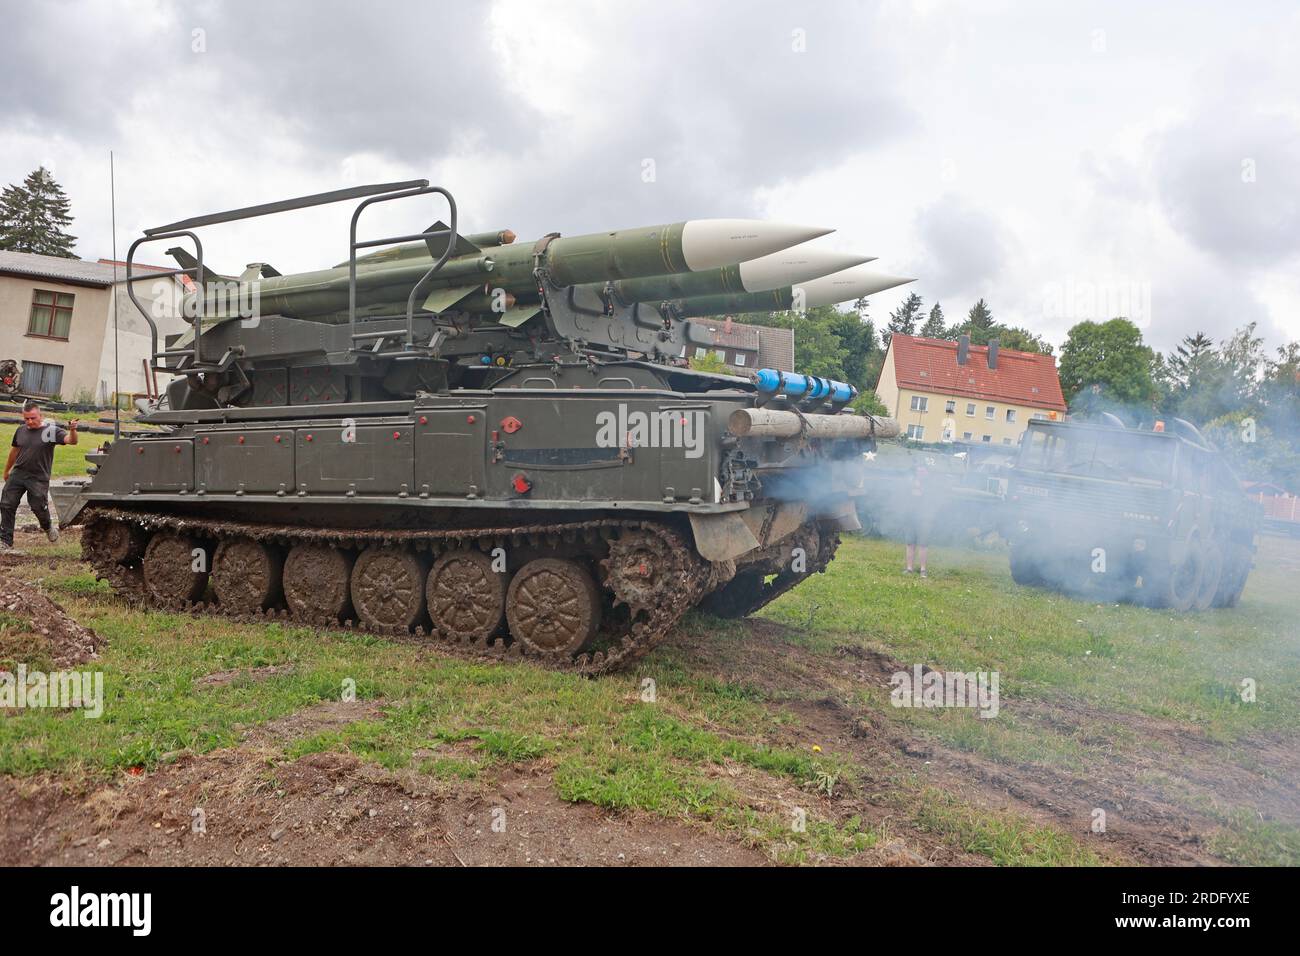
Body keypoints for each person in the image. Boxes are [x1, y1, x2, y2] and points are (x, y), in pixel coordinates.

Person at [1, 400, 78, 550]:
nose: (29, 421)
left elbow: (71, 441)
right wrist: (7, 470)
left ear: (40, 416)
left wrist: (73, 430)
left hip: (38, 477)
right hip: (18, 473)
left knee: (38, 507)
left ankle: (48, 527)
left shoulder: (51, 431)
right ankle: (5, 540)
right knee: (6, 504)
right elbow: (14, 451)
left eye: (33, 418)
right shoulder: (21, 430)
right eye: (26, 418)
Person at [902, 460, 931, 578]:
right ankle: (909, 568)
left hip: (924, 518)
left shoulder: (930, 485)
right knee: (910, 543)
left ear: (926, 472)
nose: (920, 473)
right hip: (910, 517)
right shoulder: (909, 483)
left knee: (923, 544)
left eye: (923, 471)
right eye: (918, 471)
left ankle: (923, 570)